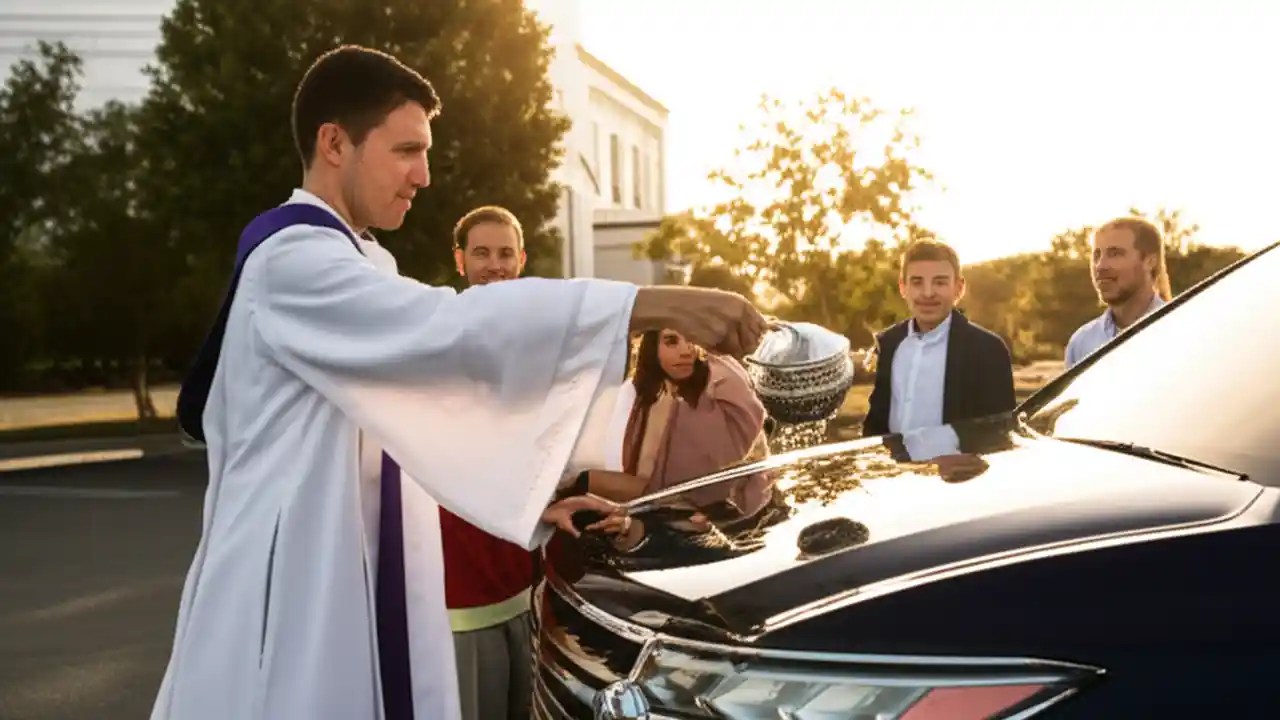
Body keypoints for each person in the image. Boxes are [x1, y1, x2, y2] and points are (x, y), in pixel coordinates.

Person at [153, 45, 765, 720]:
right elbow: (454, 330)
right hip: (293, 594)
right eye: (406, 149)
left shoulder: (358, 264)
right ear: (334, 142)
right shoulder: (292, 264)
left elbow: (422, 423)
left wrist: (532, 505)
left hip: (348, 582)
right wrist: (645, 306)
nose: (424, 174)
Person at [438, 205, 535, 720]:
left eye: (504, 253)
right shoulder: (438, 337)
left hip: (526, 587)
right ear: (459, 261)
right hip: (462, 596)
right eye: (481, 253)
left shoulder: (538, 344)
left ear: (521, 259)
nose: (494, 265)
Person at [588, 328, 773, 551]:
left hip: (739, 523)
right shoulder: (638, 399)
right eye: (671, 341)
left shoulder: (720, 394)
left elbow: (751, 430)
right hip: (656, 528)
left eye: (693, 341)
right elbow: (644, 482)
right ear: (652, 348)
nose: (686, 351)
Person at [863, 239, 1015, 438]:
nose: (928, 293)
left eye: (940, 282)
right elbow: (877, 422)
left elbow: (1001, 432)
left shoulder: (987, 350)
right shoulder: (890, 344)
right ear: (903, 287)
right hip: (895, 468)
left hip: (957, 468)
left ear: (958, 288)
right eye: (917, 282)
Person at [1064, 217, 1170, 369]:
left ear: (1149, 262)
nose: (1100, 266)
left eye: (1115, 254)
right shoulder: (1082, 343)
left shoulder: (1182, 334)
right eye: (1096, 255)